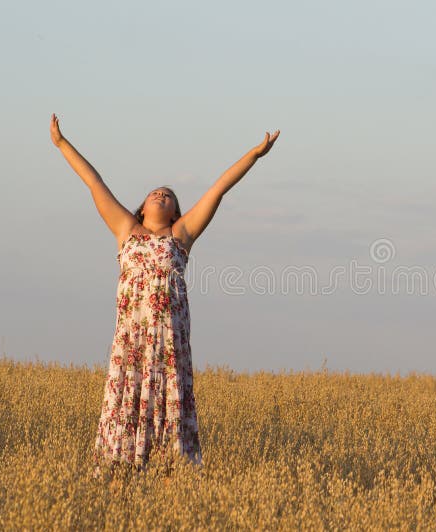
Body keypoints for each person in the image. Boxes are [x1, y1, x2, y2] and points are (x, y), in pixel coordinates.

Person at [49, 113, 280, 476]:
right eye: (155, 193)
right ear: (142, 206)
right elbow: (94, 182)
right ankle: (118, 478)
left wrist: (254, 154)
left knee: (169, 407)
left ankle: (169, 479)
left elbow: (218, 188)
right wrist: (62, 143)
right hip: (132, 343)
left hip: (169, 345)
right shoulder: (126, 230)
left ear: (176, 212)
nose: (161, 194)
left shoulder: (181, 236)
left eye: (169, 196)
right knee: (124, 405)